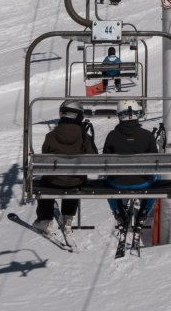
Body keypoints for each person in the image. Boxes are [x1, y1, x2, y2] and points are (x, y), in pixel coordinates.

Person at [34, 100, 97, 235]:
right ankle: (67, 217)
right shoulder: (84, 136)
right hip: (76, 181)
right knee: (74, 179)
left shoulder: (51, 136)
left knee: (47, 181)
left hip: (54, 181)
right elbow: (94, 158)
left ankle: (45, 219)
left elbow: (45, 156)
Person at [103, 100, 159, 232]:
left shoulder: (112, 136)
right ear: (137, 114)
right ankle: (143, 212)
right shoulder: (147, 135)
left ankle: (118, 212)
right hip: (143, 182)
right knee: (157, 180)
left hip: (118, 183)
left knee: (107, 183)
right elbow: (155, 161)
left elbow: (105, 161)